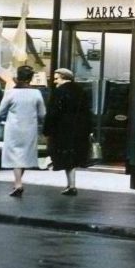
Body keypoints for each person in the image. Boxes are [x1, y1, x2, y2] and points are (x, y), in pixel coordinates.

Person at [0, 64, 45, 197]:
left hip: (13, 128)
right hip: (30, 128)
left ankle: (18, 183)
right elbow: (42, 113)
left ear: (18, 77)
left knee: (15, 154)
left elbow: (0, 111)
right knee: (24, 154)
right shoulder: (36, 93)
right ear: (30, 78)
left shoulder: (11, 93)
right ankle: (17, 182)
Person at [43, 68, 90, 196]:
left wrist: (47, 130)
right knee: (72, 158)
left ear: (64, 77)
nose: (54, 81)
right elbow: (87, 113)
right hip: (79, 130)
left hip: (62, 130)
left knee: (66, 158)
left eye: (56, 78)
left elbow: (52, 113)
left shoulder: (59, 92)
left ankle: (71, 185)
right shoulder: (81, 91)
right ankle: (71, 185)